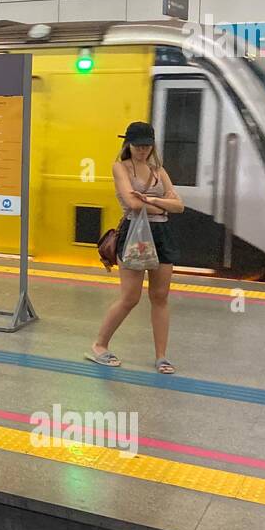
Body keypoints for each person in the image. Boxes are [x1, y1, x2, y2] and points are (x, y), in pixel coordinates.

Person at [88, 121, 185, 374]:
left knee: (160, 296)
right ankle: (99, 345)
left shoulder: (158, 171)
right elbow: (132, 203)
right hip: (135, 233)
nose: (142, 150)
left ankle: (161, 356)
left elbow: (180, 206)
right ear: (128, 145)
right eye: (137, 146)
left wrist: (152, 200)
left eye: (146, 146)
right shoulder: (120, 168)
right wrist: (165, 204)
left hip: (161, 233)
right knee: (130, 297)